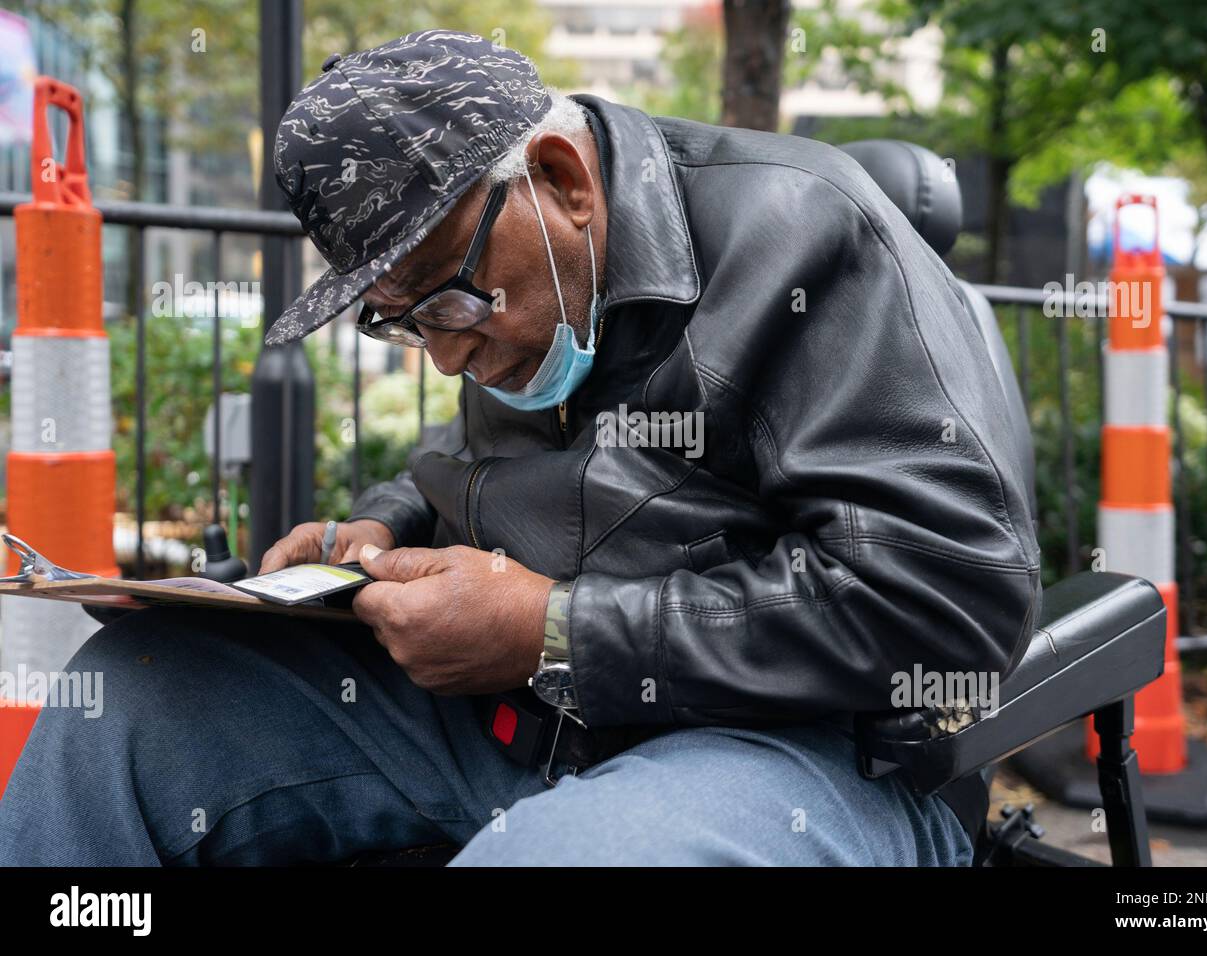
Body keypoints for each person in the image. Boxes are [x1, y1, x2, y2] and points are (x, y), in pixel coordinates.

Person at [0, 29, 1039, 866]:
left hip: (803, 754)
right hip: (523, 727)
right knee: (134, 701)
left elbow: (949, 600)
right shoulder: (535, 299)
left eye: (451, 297)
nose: (445, 353)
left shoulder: (813, 238)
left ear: (560, 178)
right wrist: (380, 524)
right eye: (400, 321)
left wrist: (557, 632)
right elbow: (460, 462)